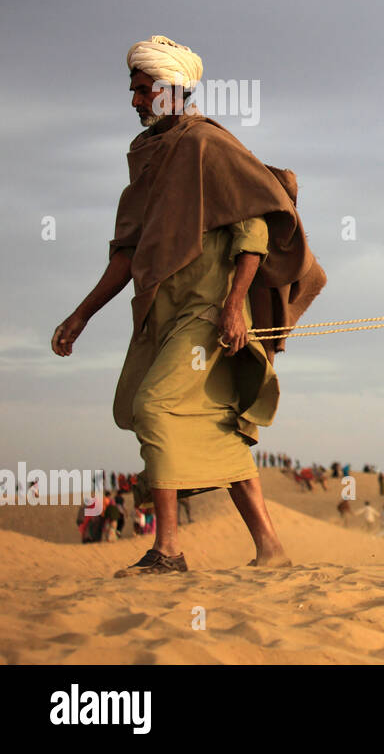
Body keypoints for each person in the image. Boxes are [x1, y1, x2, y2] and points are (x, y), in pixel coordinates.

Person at [50, 35, 326, 576]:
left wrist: (232, 306)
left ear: (168, 89)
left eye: (140, 88)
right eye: (132, 90)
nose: (132, 100)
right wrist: (80, 315)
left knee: (155, 408)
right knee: (212, 426)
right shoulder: (147, 158)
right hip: (164, 315)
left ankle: (168, 551)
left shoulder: (206, 146)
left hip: (209, 313)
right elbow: (128, 255)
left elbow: (254, 229)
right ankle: (271, 548)